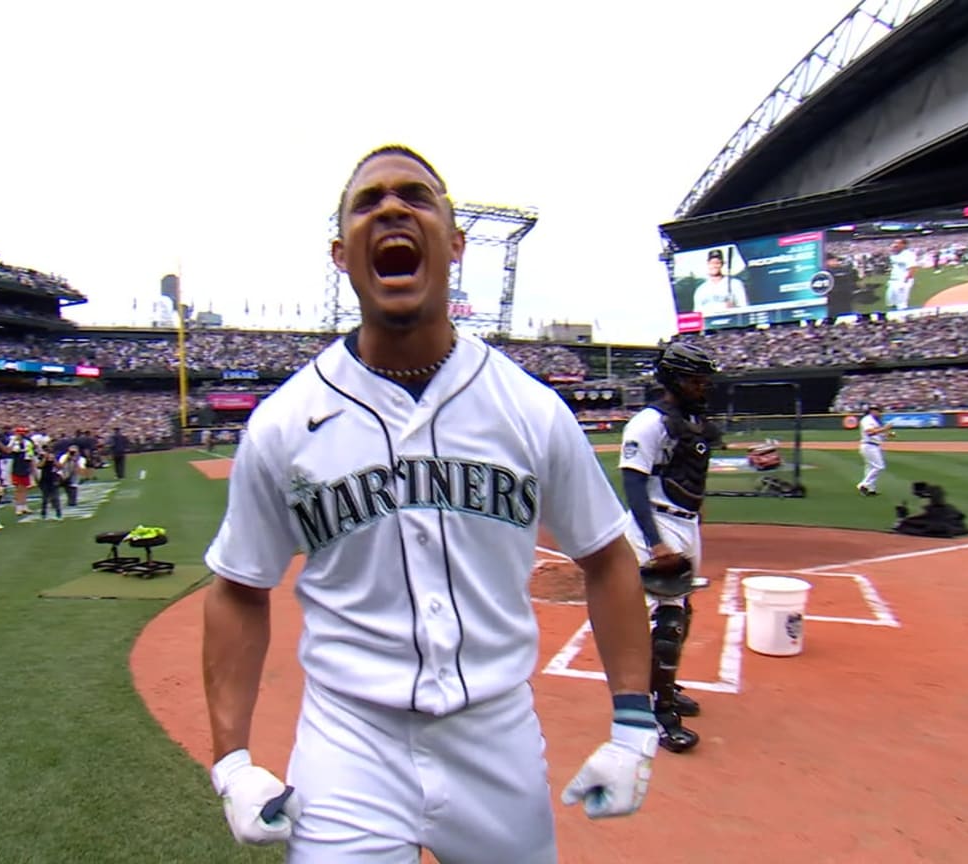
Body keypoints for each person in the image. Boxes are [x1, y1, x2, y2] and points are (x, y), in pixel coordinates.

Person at [200, 145, 659, 863]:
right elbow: (238, 588)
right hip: (349, 740)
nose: (390, 207)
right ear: (339, 255)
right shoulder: (286, 422)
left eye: (415, 196)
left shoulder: (530, 410)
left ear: (454, 243)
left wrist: (633, 723)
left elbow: (606, 555)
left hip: (497, 736)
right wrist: (231, 761)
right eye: (367, 201)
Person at [616, 340, 725, 754]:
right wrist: (655, 542)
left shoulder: (691, 422)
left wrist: (697, 520)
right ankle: (659, 715)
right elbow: (632, 482)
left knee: (683, 612)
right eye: (695, 380)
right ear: (674, 380)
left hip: (685, 525)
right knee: (666, 623)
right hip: (656, 525)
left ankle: (667, 686)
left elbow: (690, 480)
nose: (703, 387)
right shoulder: (649, 422)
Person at [693, 248, 749, 314]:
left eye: (717, 263)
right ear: (707, 264)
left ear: (722, 264)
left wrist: (735, 309)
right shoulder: (701, 290)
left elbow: (745, 308)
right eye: (711, 263)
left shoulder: (735, 284)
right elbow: (696, 314)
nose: (714, 266)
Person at [857, 405, 893, 496]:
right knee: (879, 466)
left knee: (870, 467)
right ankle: (863, 485)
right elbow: (869, 432)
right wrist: (885, 429)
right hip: (869, 446)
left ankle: (870, 489)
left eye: (879, 411)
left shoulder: (876, 420)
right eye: (877, 411)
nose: (879, 412)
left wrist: (887, 435)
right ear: (871, 411)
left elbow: (878, 434)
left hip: (873, 446)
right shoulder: (867, 420)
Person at [886, 238, 918, 311]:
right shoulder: (894, 254)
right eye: (894, 242)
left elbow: (912, 267)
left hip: (902, 280)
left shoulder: (908, 254)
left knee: (901, 303)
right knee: (890, 300)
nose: (895, 244)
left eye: (898, 243)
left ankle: (902, 317)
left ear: (904, 245)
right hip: (893, 280)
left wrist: (906, 281)